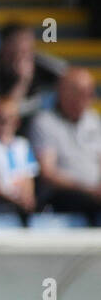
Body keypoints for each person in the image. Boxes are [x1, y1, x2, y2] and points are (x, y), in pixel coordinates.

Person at [0, 22, 65, 144]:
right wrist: (22, 82)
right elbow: (0, 116)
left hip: (35, 136)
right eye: (21, 43)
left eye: (29, 43)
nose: (26, 49)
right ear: (6, 45)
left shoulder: (37, 61)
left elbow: (71, 77)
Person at [28, 67, 101, 224]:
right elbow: (48, 174)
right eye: (82, 92)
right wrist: (89, 190)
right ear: (64, 92)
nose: (90, 98)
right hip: (63, 196)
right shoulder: (45, 122)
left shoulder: (93, 120)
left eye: (90, 92)